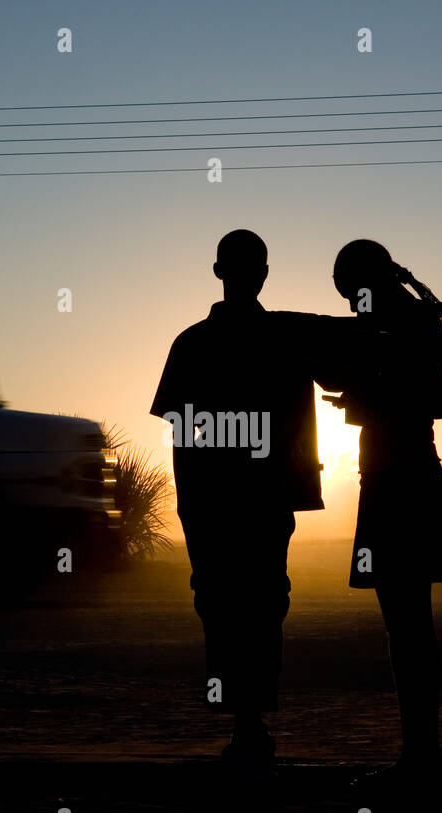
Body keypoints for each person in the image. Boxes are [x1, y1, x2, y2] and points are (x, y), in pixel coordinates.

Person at [149, 229, 324, 774]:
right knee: (260, 606)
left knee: (228, 608)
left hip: (218, 506)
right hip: (259, 505)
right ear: (261, 275)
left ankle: (244, 724)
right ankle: (249, 722)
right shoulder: (282, 342)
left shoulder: (193, 343)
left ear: (219, 271)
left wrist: (190, 506)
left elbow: (181, 437)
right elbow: (298, 430)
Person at [313, 239, 442, 791]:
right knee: (409, 626)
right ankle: (421, 755)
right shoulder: (402, 321)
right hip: (400, 481)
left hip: (400, 483)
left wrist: (369, 393)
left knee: (407, 627)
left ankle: (421, 759)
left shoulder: (397, 326)